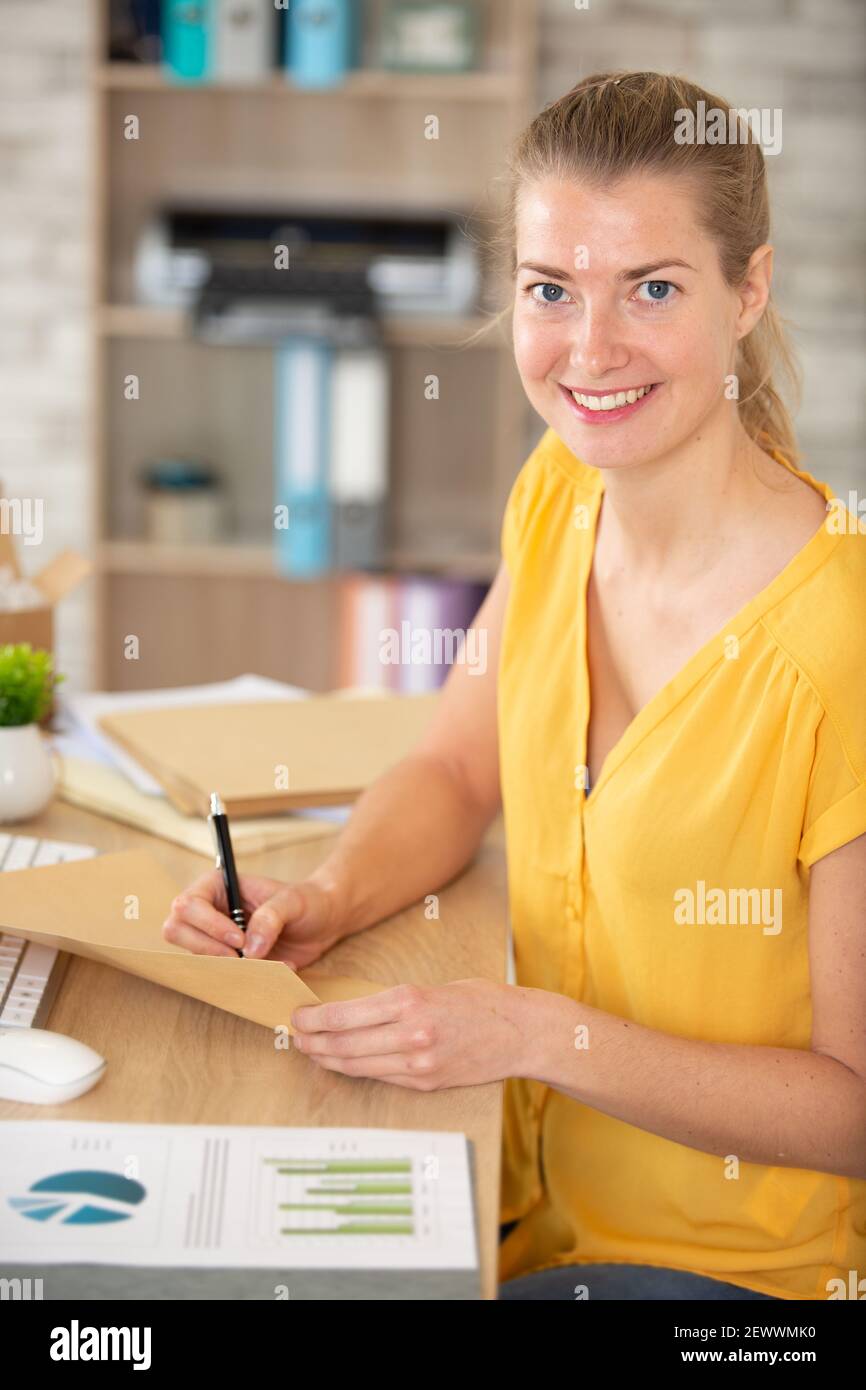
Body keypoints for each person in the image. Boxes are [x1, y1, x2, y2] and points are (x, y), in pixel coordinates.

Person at [162, 72, 866, 1302]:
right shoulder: (558, 494)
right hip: (521, 1210)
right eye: (551, 290)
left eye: (651, 288)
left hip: (738, 1284)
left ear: (746, 289)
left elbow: (854, 1110)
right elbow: (456, 766)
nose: (588, 351)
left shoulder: (841, 640)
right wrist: (327, 895)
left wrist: (535, 1032)